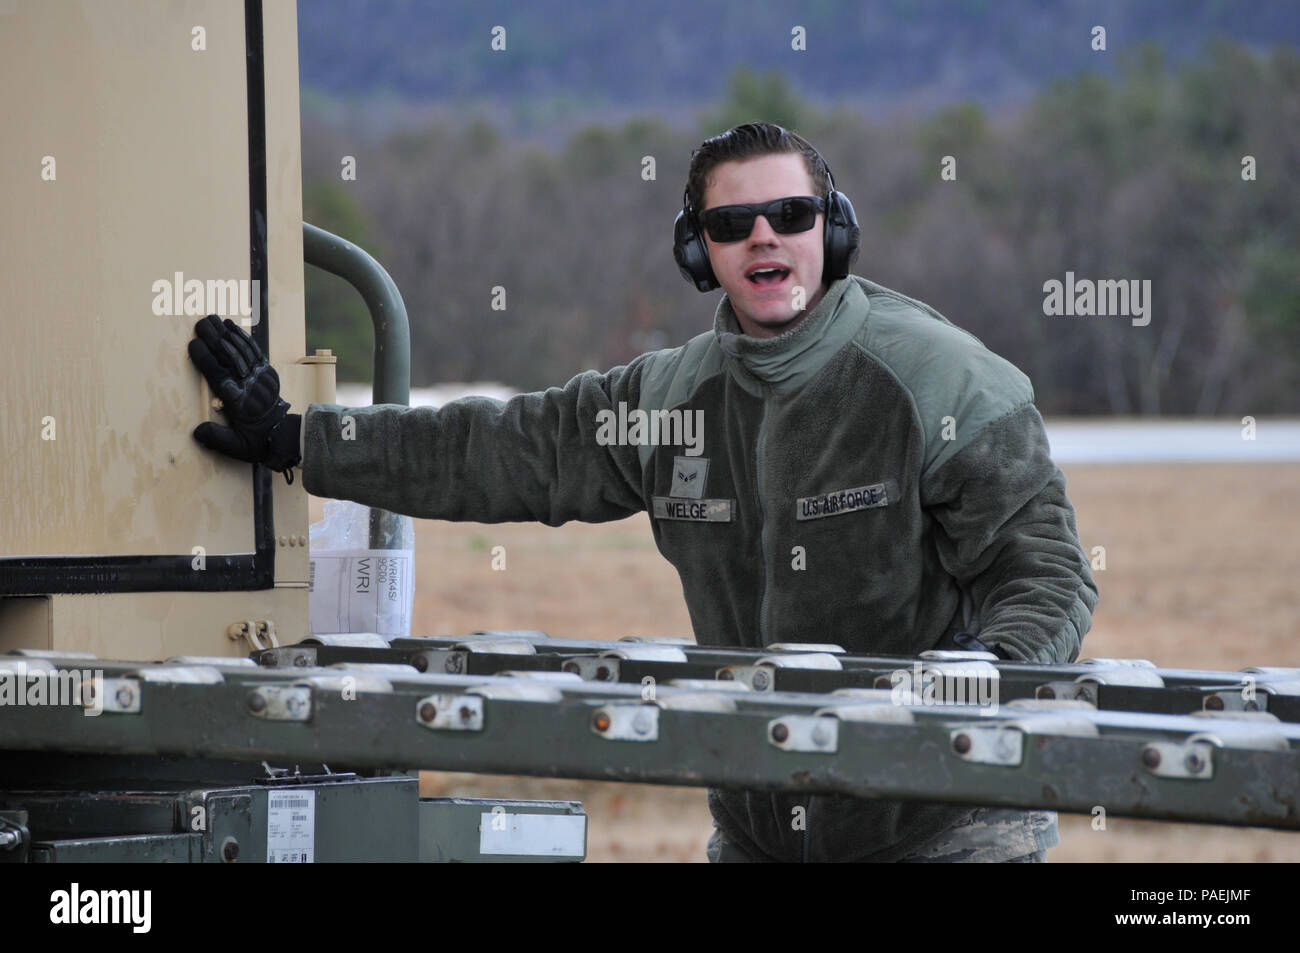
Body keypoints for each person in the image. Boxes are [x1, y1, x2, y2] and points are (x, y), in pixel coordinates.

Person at [188, 122, 1099, 863]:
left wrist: (986, 668)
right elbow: (503, 450)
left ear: (835, 228)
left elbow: (1047, 571)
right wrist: (299, 437)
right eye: (732, 224)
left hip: (944, 828)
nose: (764, 237)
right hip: (762, 832)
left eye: (791, 212)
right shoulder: (668, 401)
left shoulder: (941, 382)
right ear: (699, 251)